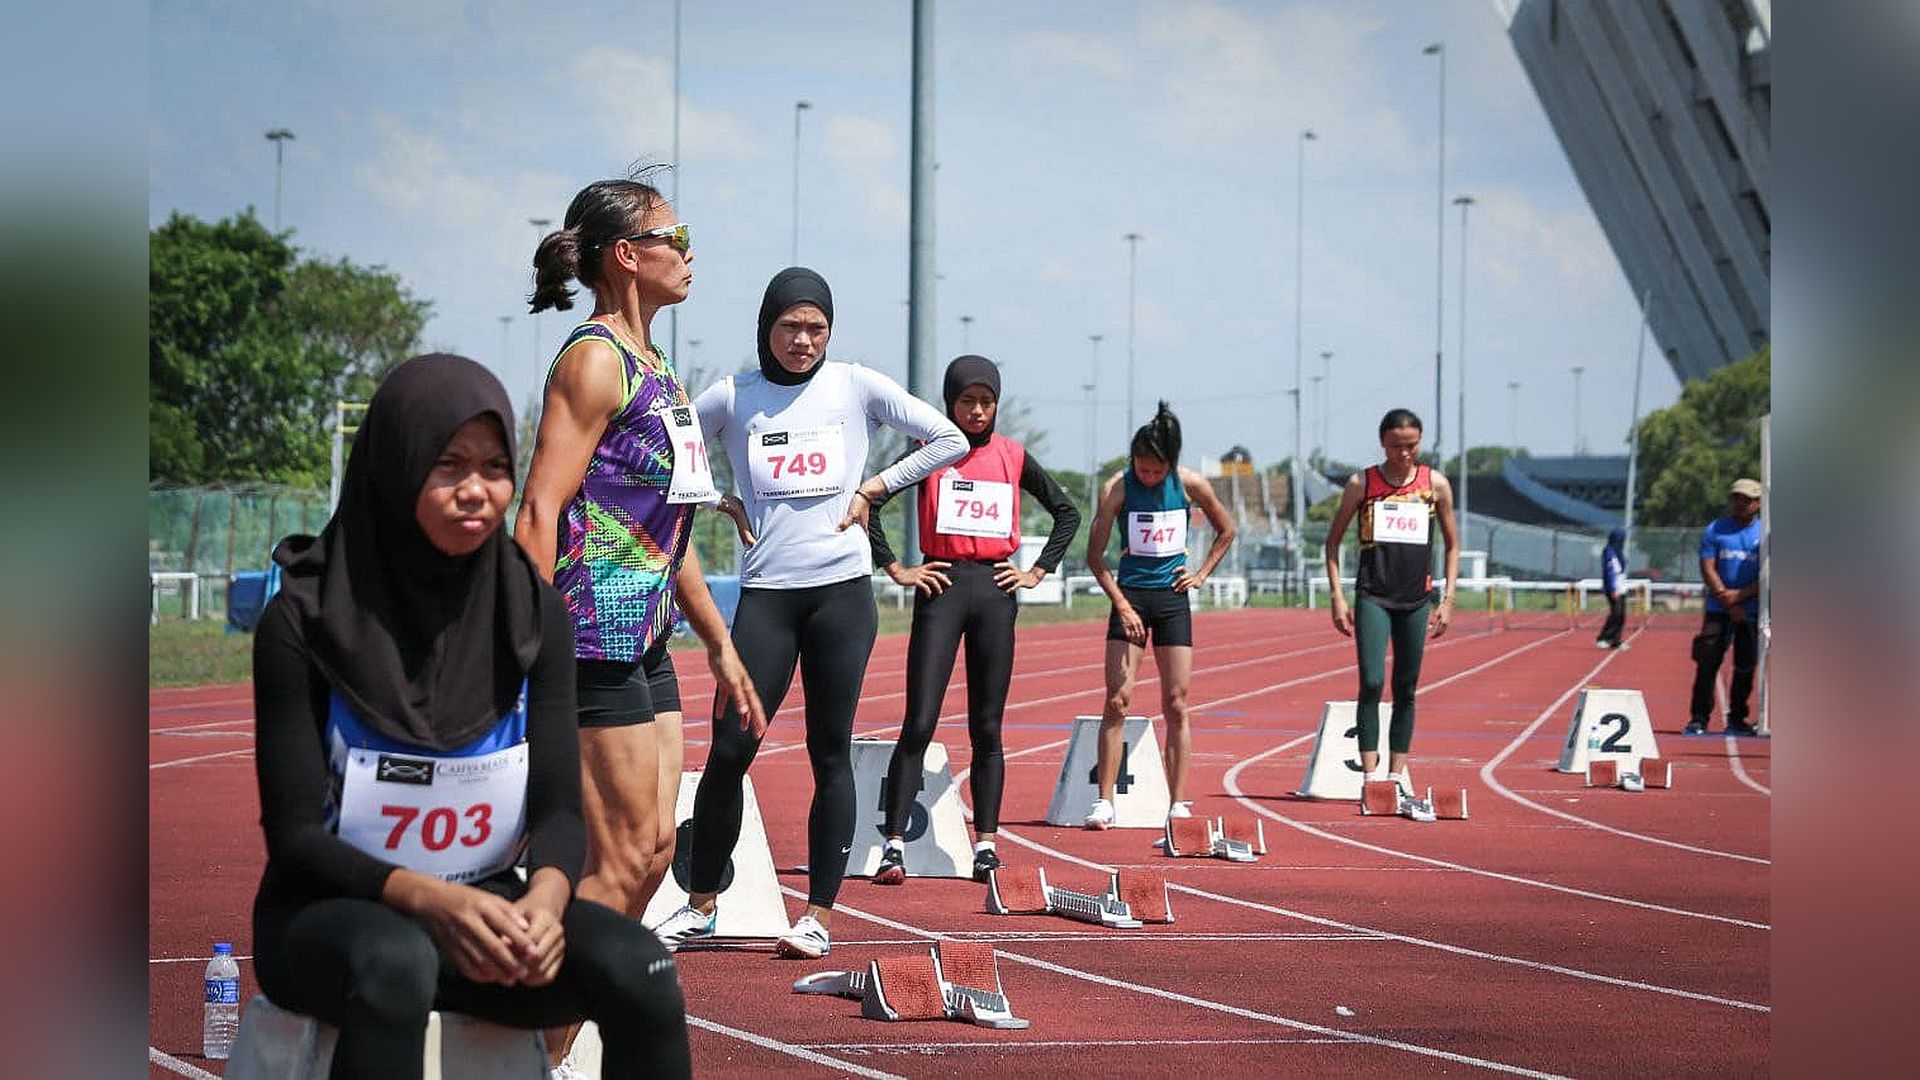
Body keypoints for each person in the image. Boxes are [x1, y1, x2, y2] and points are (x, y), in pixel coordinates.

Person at [250, 355, 690, 1080]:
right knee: (397, 964)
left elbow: (557, 810)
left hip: (487, 915)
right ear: (396, 469)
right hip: (334, 913)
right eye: (448, 467)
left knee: (638, 966)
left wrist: (545, 899)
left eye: (494, 468)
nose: (476, 491)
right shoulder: (304, 619)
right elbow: (295, 836)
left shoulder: (533, 612)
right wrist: (434, 902)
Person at [652, 267, 967, 959]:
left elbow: (950, 439)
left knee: (830, 752)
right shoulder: (734, 396)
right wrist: (714, 498)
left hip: (841, 597)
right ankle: (701, 906)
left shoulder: (854, 385)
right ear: (766, 326)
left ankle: (817, 916)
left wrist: (876, 488)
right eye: (790, 326)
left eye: (816, 328)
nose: (803, 340)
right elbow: (656, 446)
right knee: (730, 751)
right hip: (767, 598)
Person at [516, 176, 766, 941]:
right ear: (627, 255)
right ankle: (550, 1012)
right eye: (675, 238)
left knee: (655, 850)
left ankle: (578, 1003)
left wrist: (720, 646)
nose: (690, 254)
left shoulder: (654, 365)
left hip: (647, 639)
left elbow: (669, 530)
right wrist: (523, 649)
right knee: (618, 857)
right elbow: (539, 509)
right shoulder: (595, 361)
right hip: (590, 637)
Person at [864, 355, 1081, 884]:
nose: (977, 411)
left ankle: (985, 845)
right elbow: (870, 500)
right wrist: (895, 568)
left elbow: (1067, 513)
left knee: (988, 726)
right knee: (920, 721)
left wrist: (1037, 571)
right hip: (941, 587)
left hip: (994, 592)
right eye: (967, 401)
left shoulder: (1013, 455)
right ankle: (893, 845)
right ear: (950, 403)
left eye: (986, 402)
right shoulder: (930, 450)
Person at [1082, 402, 1236, 829]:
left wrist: (1201, 574)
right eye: (1142, 469)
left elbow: (1227, 530)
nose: (1148, 476)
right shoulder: (1118, 488)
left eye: (1156, 470)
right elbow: (1095, 556)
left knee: (1176, 703)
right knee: (1117, 700)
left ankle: (1178, 803)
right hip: (1130, 596)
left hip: (1172, 600)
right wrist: (1121, 604)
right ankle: (1104, 802)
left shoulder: (1190, 484)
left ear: (1170, 464)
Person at [1322, 408, 1461, 822]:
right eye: (1397, 446)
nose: (1404, 453)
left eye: (1412, 445)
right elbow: (1332, 543)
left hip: (1416, 598)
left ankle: (1396, 776)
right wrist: (1337, 596)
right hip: (1374, 596)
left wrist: (1448, 598)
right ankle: (1370, 778)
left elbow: (1452, 544)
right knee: (1371, 681)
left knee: (1406, 687)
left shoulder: (1435, 484)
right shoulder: (1362, 484)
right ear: (1383, 443)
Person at [1684, 478, 1764, 735]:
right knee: (1707, 662)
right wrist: (1725, 598)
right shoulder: (1716, 529)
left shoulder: (1765, 533)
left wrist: (1740, 596)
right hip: (1718, 608)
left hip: (1751, 608)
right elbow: (1708, 566)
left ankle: (1737, 718)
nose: (1740, 504)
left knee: (1745, 665)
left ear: (1758, 503)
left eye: (1746, 500)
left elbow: (1768, 574)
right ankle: (1699, 718)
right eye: (1736, 498)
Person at [1597, 527, 1629, 649]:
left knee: (1621, 615)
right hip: (1613, 587)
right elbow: (1609, 571)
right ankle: (1603, 638)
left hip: (1621, 586)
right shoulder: (1609, 551)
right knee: (1616, 614)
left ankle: (1616, 640)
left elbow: (1621, 570)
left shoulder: (1620, 552)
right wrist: (1613, 589)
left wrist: (1622, 587)